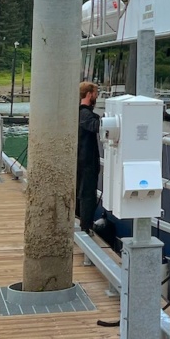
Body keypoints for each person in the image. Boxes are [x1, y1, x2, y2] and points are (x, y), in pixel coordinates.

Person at [76, 81, 101, 232]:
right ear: (89, 94)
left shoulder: (80, 112)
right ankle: (86, 228)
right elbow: (95, 126)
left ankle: (82, 223)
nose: (97, 96)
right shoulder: (85, 114)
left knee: (83, 192)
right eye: (96, 94)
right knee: (87, 195)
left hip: (82, 160)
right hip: (86, 161)